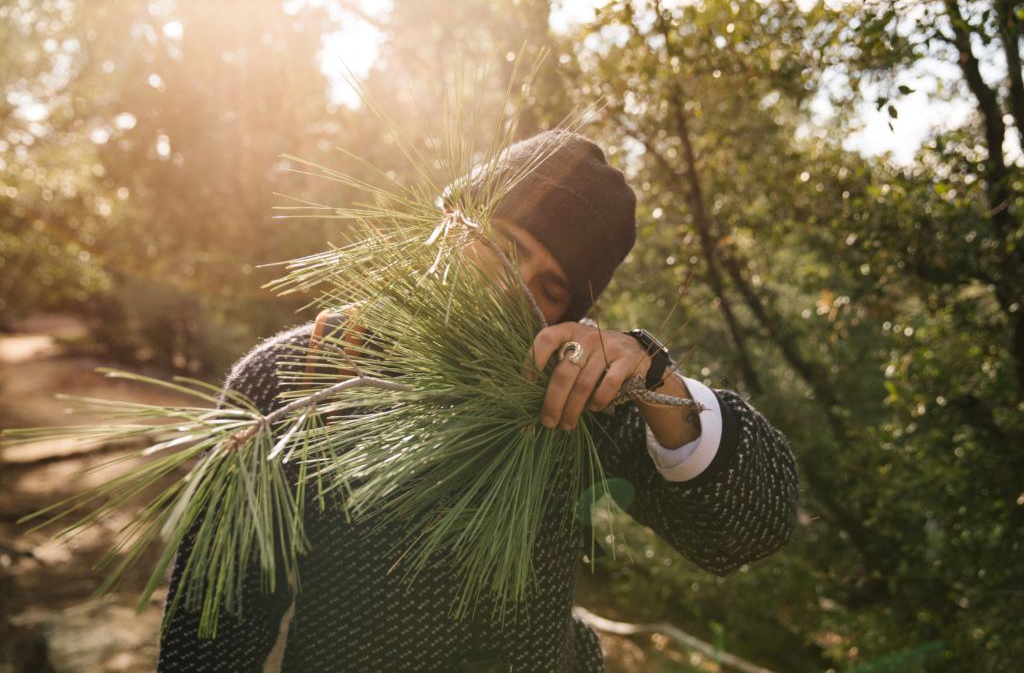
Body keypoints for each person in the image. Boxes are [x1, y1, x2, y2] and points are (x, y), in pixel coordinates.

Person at [157, 132, 799, 672]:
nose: (507, 292)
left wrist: (658, 381)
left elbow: (746, 530)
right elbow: (215, 619)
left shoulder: (569, 394)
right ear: (448, 221)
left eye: (547, 286)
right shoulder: (296, 375)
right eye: (500, 245)